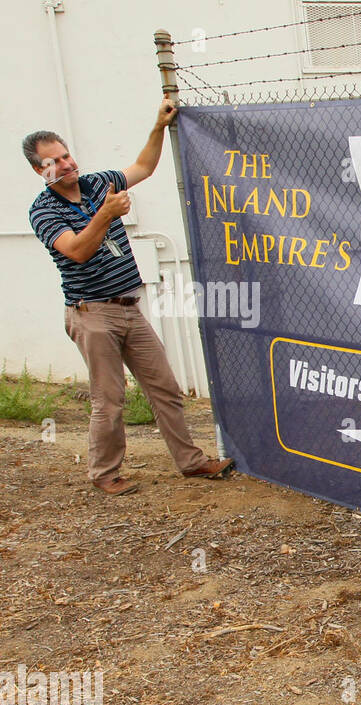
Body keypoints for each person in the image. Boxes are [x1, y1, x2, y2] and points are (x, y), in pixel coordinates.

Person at [24, 99, 232, 496]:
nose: (67, 165)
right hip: (92, 314)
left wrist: (157, 126)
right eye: (55, 161)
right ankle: (105, 474)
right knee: (110, 399)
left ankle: (191, 462)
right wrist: (105, 215)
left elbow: (144, 167)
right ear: (40, 169)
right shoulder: (43, 211)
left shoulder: (97, 183)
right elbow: (78, 250)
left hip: (127, 306)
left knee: (165, 386)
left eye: (67, 155)